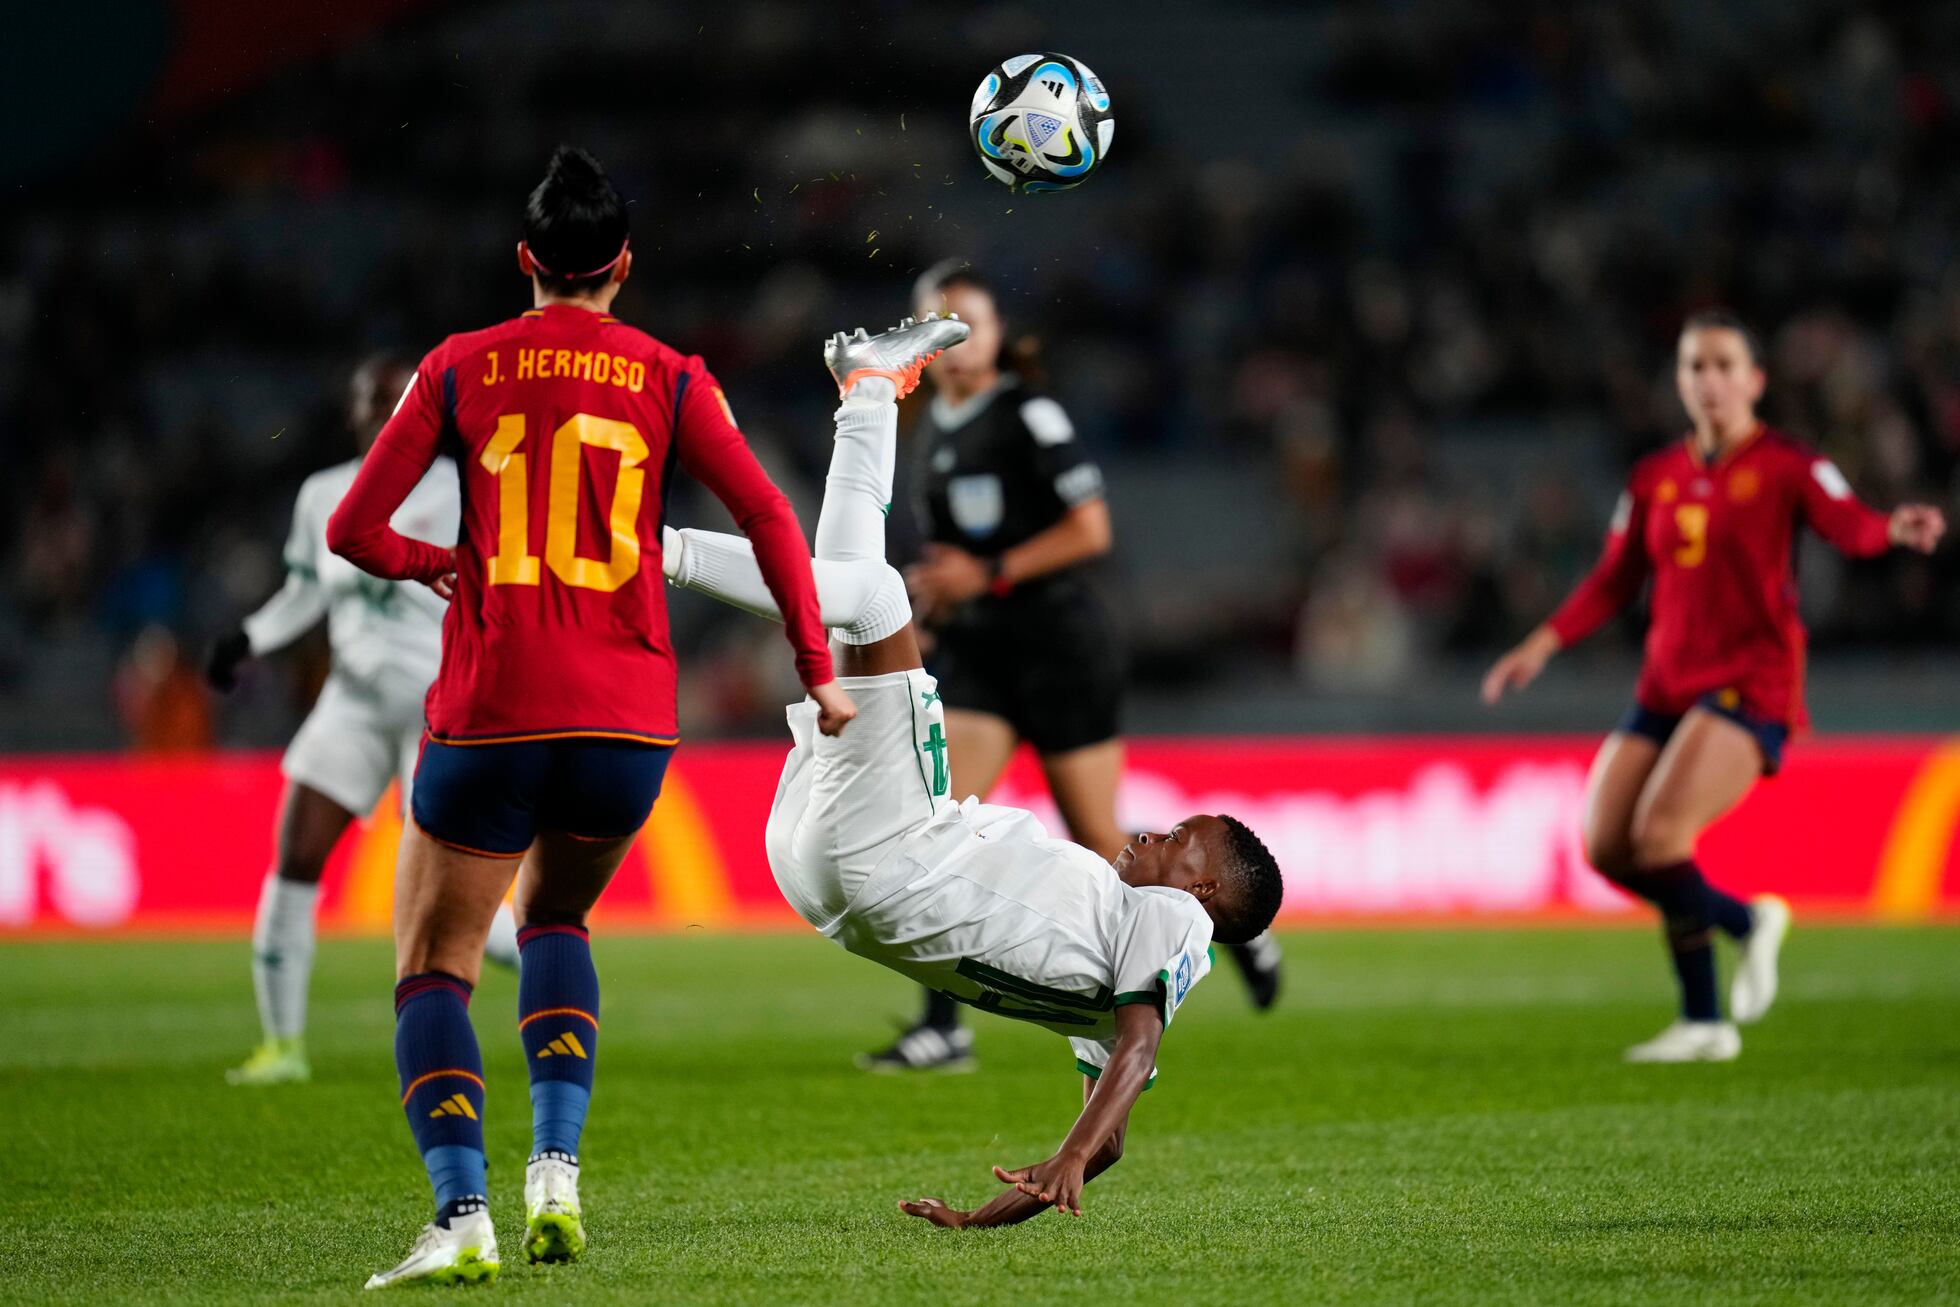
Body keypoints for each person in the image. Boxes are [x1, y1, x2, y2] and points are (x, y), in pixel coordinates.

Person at [325, 146, 849, 1288]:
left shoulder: (458, 367)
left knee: (434, 966)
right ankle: (555, 1166)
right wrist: (817, 668)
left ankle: (462, 1210)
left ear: (525, 260)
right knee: (556, 919)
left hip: (493, 706)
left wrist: (436, 563)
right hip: (626, 722)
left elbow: (351, 528)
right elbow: (767, 516)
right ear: (624, 266)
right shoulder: (669, 373)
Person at [661, 313, 1284, 1225]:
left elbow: (1140, 1052)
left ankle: (639, 550)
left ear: (1207, 893)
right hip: (823, 872)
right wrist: (986, 1217)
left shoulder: (1173, 926)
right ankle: (868, 391)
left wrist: (1068, 1154)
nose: (1154, 832)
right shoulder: (1104, 998)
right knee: (849, 596)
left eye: (1182, 841)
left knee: (872, 597)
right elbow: (1110, 1132)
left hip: (891, 847)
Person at [1483, 310, 1945, 1063]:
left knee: (1661, 834)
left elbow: (1846, 520)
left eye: (1726, 365)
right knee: (1606, 845)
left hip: (1748, 682)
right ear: (1680, 381)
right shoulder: (1655, 476)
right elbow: (1613, 579)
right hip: (1667, 685)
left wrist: (1893, 529)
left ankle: (1704, 1015)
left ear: (1756, 380)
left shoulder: (1787, 464)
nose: (1711, 380)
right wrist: (1539, 645)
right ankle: (1741, 932)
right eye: (1696, 366)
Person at [862, 262, 1281, 1075]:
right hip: (983, 648)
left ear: (998, 338)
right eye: (937, 320)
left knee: (1099, 834)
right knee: (941, 822)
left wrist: (985, 573)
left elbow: (1091, 529)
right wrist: (946, 604)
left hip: (1059, 646)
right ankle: (942, 1027)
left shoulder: (1029, 412)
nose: (954, 336)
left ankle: (1244, 933)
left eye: (969, 321)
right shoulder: (933, 424)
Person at [208, 355, 518, 1089]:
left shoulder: (467, 485)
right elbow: (306, 592)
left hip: (437, 706)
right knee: (294, 859)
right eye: (372, 398)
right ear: (353, 411)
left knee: (450, 897)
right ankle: (282, 1045)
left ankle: (553, 963)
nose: (384, 409)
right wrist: (248, 638)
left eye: (398, 398)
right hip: (350, 701)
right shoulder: (323, 496)